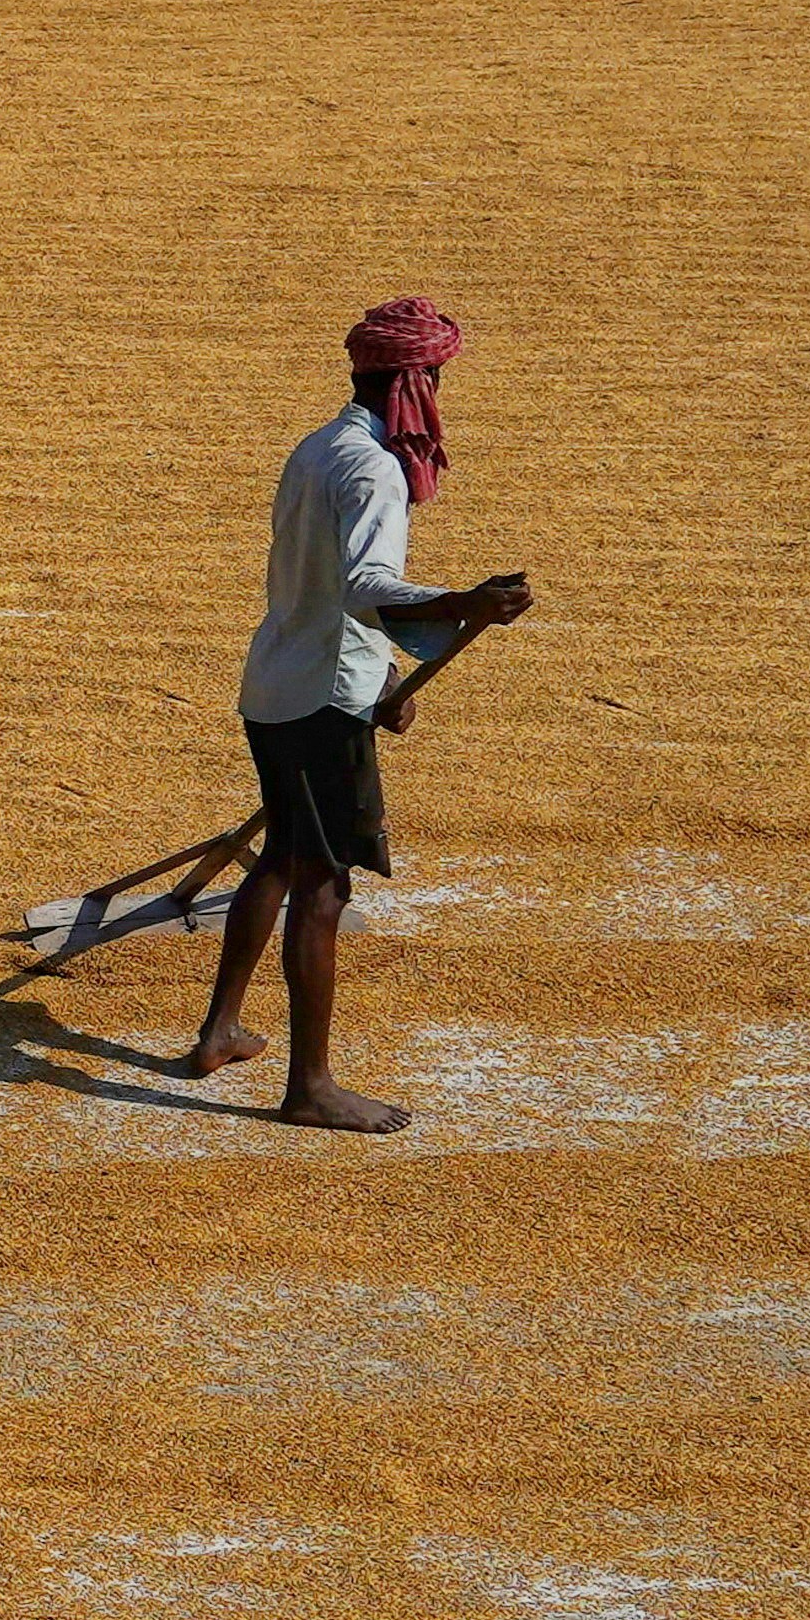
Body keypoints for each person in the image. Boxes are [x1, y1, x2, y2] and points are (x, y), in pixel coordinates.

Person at [193, 298, 534, 1131]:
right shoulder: (372, 468)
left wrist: (382, 676)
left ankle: (220, 1031)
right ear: (413, 382)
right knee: (322, 883)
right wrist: (463, 605)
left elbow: (317, 588)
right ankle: (310, 1087)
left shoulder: (318, 447)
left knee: (280, 857)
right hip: (319, 701)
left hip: (278, 683)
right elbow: (365, 586)